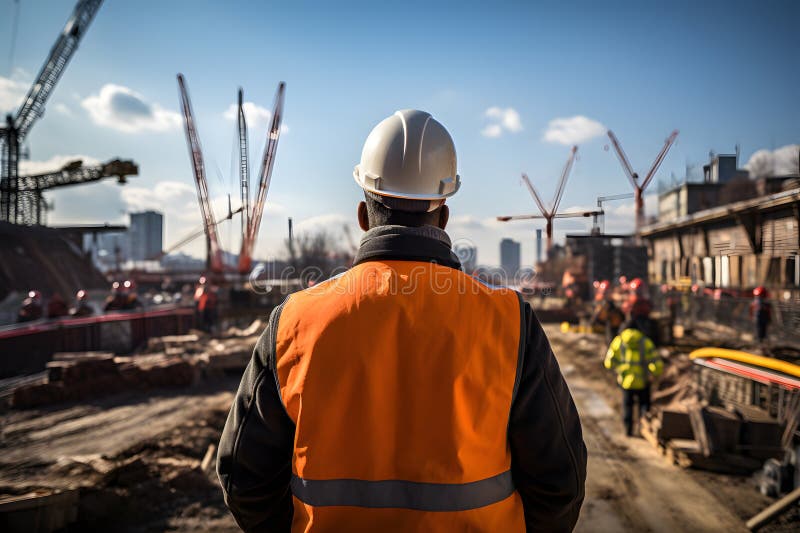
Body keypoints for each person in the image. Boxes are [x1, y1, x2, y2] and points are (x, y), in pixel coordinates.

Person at [217, 109, 586, 531]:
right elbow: (561, 483)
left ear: (362, 215)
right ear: (443, 216)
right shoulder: (509, 322)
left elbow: (243, 478)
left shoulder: (295, 322)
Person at [604, 320, 664, 436]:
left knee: (628, 406)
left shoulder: (619, 341)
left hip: (626, 382)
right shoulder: (645, 341)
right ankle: (644, 430)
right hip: (643, 381)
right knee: (644, 406)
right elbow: (656, 362)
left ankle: (628, 430)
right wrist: (655, 373)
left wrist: (619, 369)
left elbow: (609, 363)